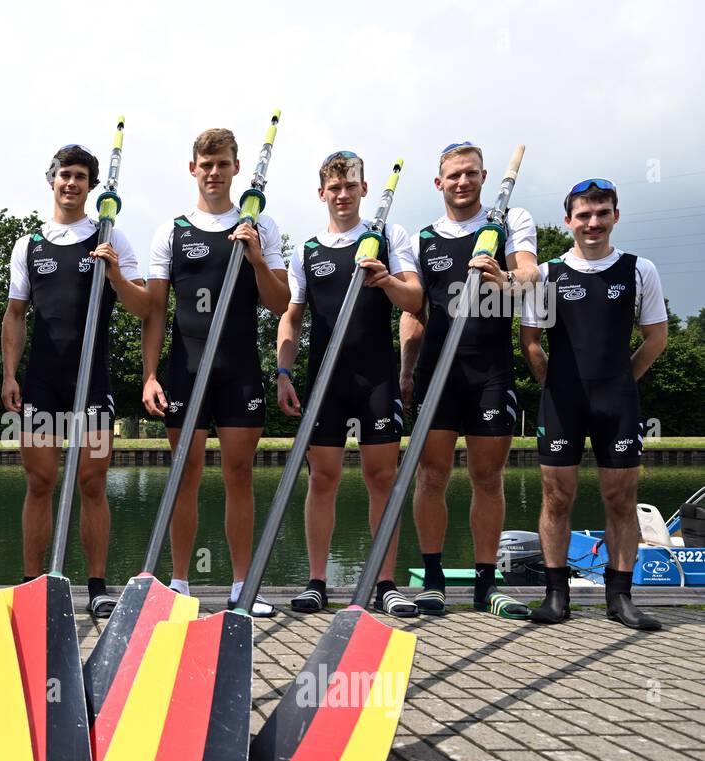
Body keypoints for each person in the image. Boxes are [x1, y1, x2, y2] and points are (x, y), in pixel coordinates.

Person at [142, 128, 290, 615]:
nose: (214, 172)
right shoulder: (171, 232)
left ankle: (242, 586)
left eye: (223, 164)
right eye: (206, 164)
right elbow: (154, 312)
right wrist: (149, 375)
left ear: (236, 168)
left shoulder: (260, 226)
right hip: (185, 371)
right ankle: (179, 584)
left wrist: (256, 258)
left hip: (239, 370)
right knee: (184, 475)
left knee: (239, 475)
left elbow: (281, 303)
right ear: (193, 169)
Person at [0, 144, 151, 616]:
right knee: (40, 481)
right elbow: (15, 314)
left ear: (91, 186)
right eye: (65, 174)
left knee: (92, 482)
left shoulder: (111, 239)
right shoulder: (29, 245)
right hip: (42, 384)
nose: (71, 183)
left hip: (93, 385)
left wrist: (116, 275)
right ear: (52, 180)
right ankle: (31, 584)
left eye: (81, 177)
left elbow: (145, 307)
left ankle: (97, 586)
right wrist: (8, 374)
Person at [277, 151, 424, 616]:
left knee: (382, 479)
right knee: (323, 479)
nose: (342, 195)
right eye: (334, 188)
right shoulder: (306, 250)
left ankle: (385, 583)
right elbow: (292, 317)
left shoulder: (388, 238)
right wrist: (283, 372)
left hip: (375, 378)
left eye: (350, 186)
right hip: (325, 382)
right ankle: (316, 582)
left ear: (364, 189)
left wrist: (386, 281)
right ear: (322, 193)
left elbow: (415, 299)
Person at [399, 141, 539, 618]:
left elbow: (531, 276)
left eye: (471, 173)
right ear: (439, 182)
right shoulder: (423, 238)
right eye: (454, 175)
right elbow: (415, 311)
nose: (463, 181)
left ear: (484, 177)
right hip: (437, 372)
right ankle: (433, 581)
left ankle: (485, 585)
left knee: (487, 477)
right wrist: (406, 369)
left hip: (490, 373)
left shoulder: (510, 221)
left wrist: (504, 280)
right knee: (431, 475)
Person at [521, 179, 668, 630]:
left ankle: (620, 597)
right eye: (583, 215)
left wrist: (620, 381)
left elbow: (655, 338)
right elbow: (530, 342)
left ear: (615, 216)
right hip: (561, 401)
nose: (593, 222)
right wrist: (557, 385)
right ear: (568, 221)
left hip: (617, 401)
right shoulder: (547, 274)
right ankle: (556, 595)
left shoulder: (640, 269)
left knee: (621, 500)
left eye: (602, 213)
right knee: (556, 497)